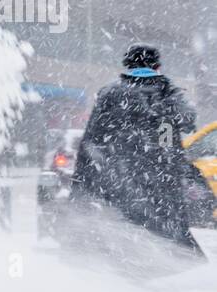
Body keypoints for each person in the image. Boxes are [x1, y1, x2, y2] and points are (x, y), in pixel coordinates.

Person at [70, 44, 200, 252]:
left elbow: (91, 142)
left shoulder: (110, 94)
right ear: (157, 66)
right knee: (170, 239)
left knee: (123, 235)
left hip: (118, 179)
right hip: (162, 181)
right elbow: (188, 120)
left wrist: (79, 188)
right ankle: (169, 268)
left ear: (127, 65)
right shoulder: (166, 93)